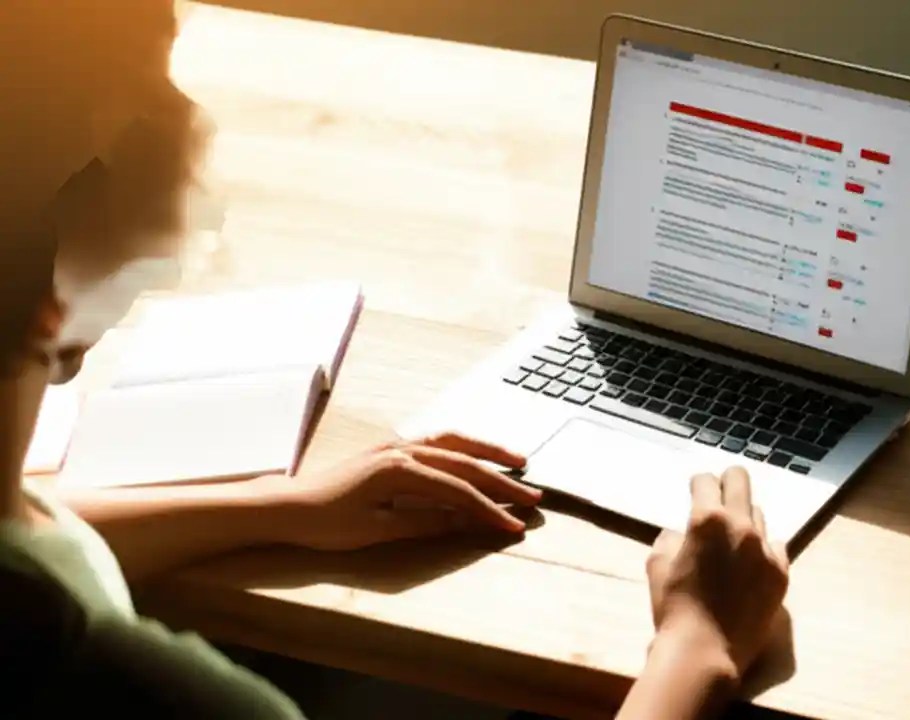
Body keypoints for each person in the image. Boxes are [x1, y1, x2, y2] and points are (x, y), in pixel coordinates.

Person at [0, 3, 791, 719]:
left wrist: (284, 506)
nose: (191, 122)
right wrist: (698, 647)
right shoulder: (126, 684)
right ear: (48, 290)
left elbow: (37, 525)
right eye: (147, 94)